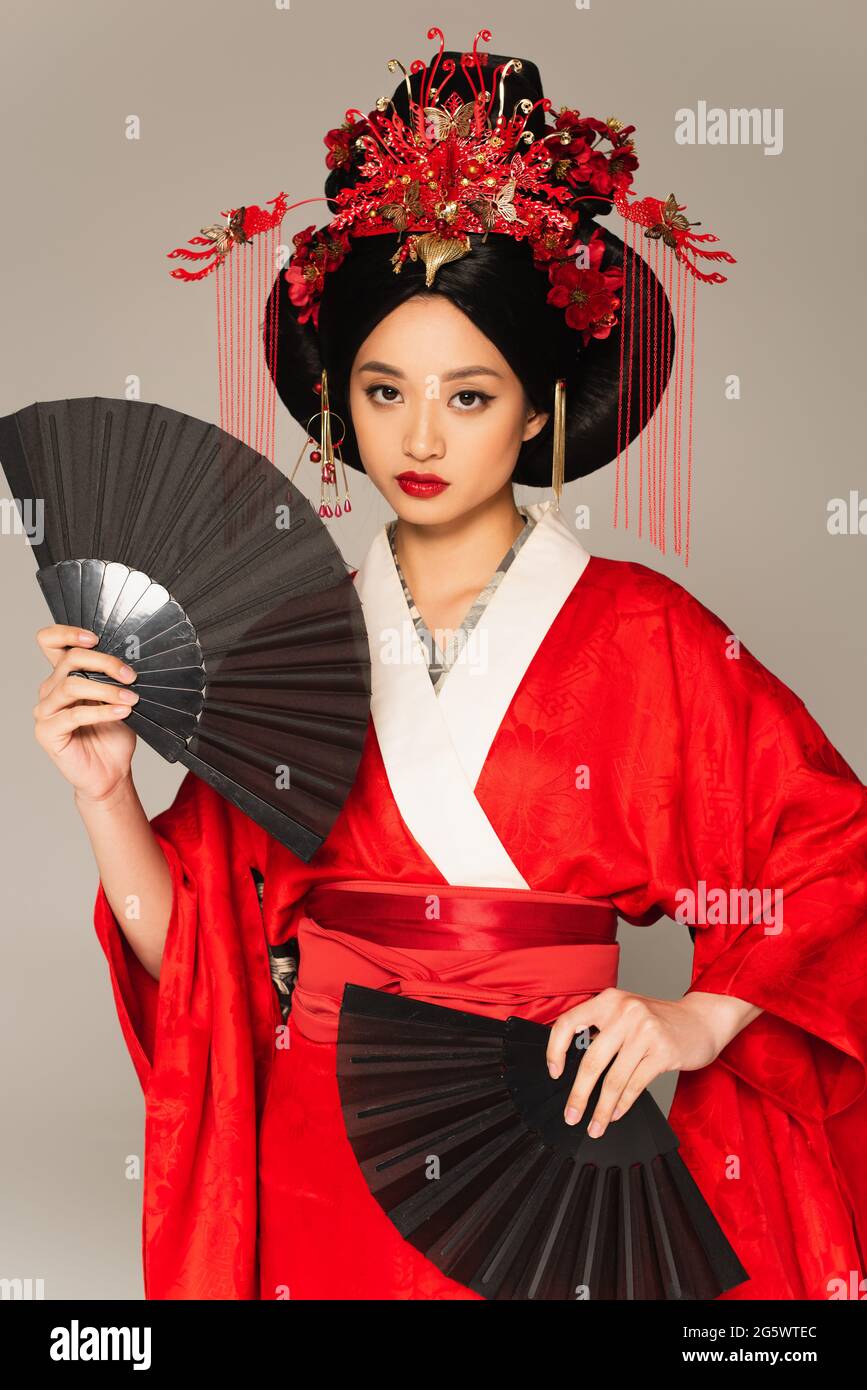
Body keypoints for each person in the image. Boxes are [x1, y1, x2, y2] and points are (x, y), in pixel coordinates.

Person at [32, 31, 866, 1301]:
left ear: (540, 406)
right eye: (383, 391)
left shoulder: (649, 636)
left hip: (556, 1146)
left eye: (470, 397)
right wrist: (102, 793)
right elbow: (194, 951)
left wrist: (694, 1018)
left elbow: (830, 862)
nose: (419, 437)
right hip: (323, 1151)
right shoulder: (291, 641)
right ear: (337, 404)